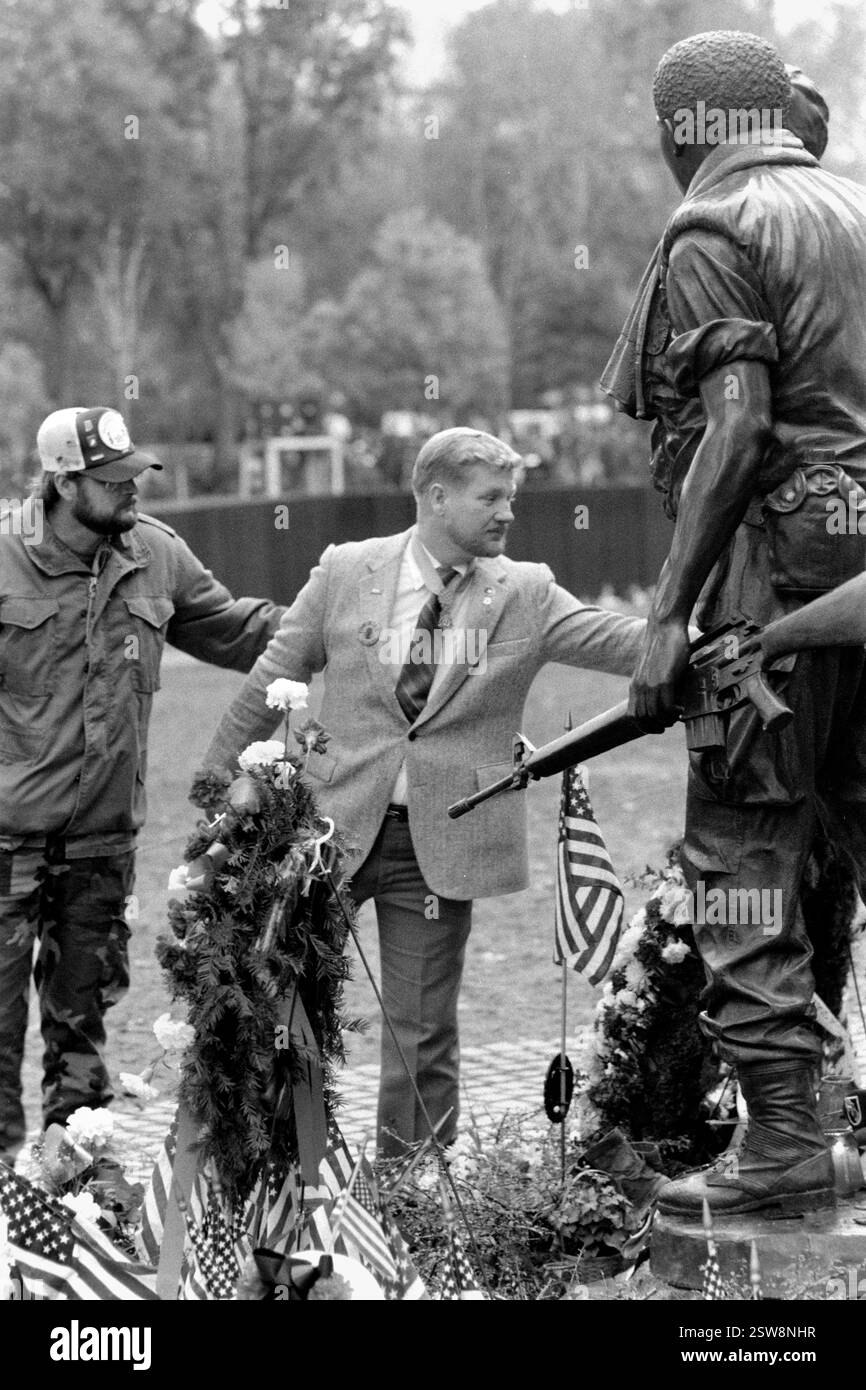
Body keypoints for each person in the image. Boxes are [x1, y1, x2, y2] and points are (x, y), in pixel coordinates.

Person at [202, 426, 646, 1157]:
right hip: (324, 836)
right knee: (290, 1010)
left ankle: (407, 1202)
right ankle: (294, 1175)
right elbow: (270, 679)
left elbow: (623, 642)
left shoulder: (524, 592)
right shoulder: (347, 571)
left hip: (441, 843)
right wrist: (215, 794)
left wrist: (720, 636)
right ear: (436, 497)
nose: (508, 512)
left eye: (512, 497)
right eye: (491, 497)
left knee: (422, 1031)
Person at [605, 29, 866, 1216]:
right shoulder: (853, 205)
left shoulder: (715, 228)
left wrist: (665, 614)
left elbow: (737, 424)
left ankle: (782, 1155)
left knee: (738, 864)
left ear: (681, 131)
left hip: (773, 586)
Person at [0, 406, 284, 1165]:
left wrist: (327, 621)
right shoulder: (2, 556)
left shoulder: (154, 554)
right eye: (110, 479)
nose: (132, 490)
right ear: (62, 481)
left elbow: (234, 629)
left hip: (101, 841)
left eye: (134, 474)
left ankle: (77, 1188)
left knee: (83, 1027)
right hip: (5, 842)